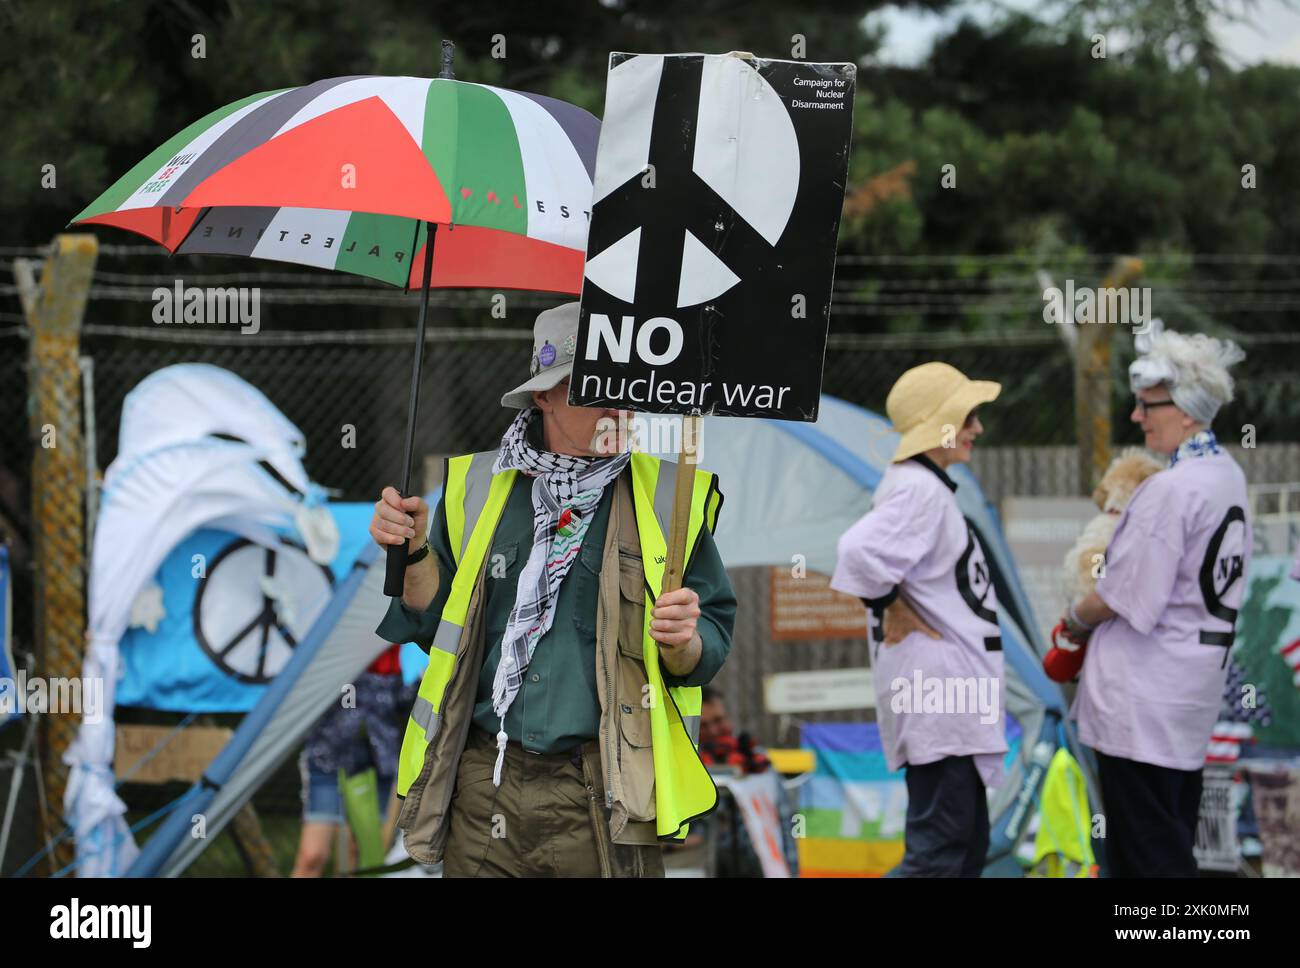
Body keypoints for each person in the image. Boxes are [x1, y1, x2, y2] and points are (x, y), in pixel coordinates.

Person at [369, 302, 736, 878]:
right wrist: (412, 549)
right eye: (596, 388)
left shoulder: (671, 497)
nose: (619, 406)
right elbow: (429, 619)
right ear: (543, 395)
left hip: (606, 789)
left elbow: (707, 644)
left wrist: (682, 641)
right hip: (483, 782)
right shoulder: (474, 486)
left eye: (628, 386)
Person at [1061, 322, 1250, 877]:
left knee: (1150, 865)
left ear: (1186, 409)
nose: (1137, 418)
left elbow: (1123, 596)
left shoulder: (1170, 489)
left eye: (1148, 406)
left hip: (1141, 706)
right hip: (1186, 699)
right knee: (1160, 848)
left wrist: (1074, 618)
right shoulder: (1226, 476)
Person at [830, 362, 1006, 878]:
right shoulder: (919, 489)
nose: (977, 427)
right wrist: (890, 604)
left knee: (964, 850)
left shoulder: (925, 486)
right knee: (939, 857)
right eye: (968, 415)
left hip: (950, 702)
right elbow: (857, 551)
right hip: (940, 698)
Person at [292, 643, 408, 877]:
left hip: (376, 760)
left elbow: (403, 702)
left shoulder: (397, 648)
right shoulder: (330, 640)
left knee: (366, 854)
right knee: (312, 855)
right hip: (327, 757)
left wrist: (418, 681)